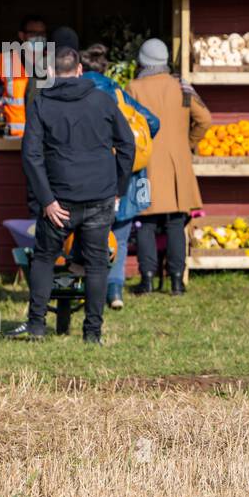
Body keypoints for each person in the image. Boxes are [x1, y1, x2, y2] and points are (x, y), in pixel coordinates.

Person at [7, 46, 135, 343]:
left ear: (51, 72)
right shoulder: (103, 100)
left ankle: (37, 324)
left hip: (59, 200)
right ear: (80, 70)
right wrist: (119, 190)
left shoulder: (41, 103)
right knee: (97, 263)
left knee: (43, 258)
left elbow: (31, 156)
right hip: (100, 196)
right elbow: (128, 145)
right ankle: (92, 333)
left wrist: (46, 200)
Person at [79, 43, 160, 309]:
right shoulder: (119, 92)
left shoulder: (76, 92)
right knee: (121, 236)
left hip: (89, 174)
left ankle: (86, 290)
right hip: (125, 173)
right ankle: (115, 290)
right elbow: (153, 121)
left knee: (86, 233)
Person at [128, 38, 211, 296]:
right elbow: (204, 119)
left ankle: (147, 280)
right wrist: (187, 143)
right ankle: (177, 281)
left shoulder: (134, 87)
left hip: (146, 163)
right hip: (178, 164)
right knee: (176, 223)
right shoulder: (182, 87)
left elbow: (125, 122)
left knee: (146, 222)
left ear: (142, 61)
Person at [0, 14, 48, 137]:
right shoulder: (4, 62)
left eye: (42, 33)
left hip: (44, 139)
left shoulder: (53, 62)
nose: (38, 38)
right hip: (11, 139)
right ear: (22, 36)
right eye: (33, 33)